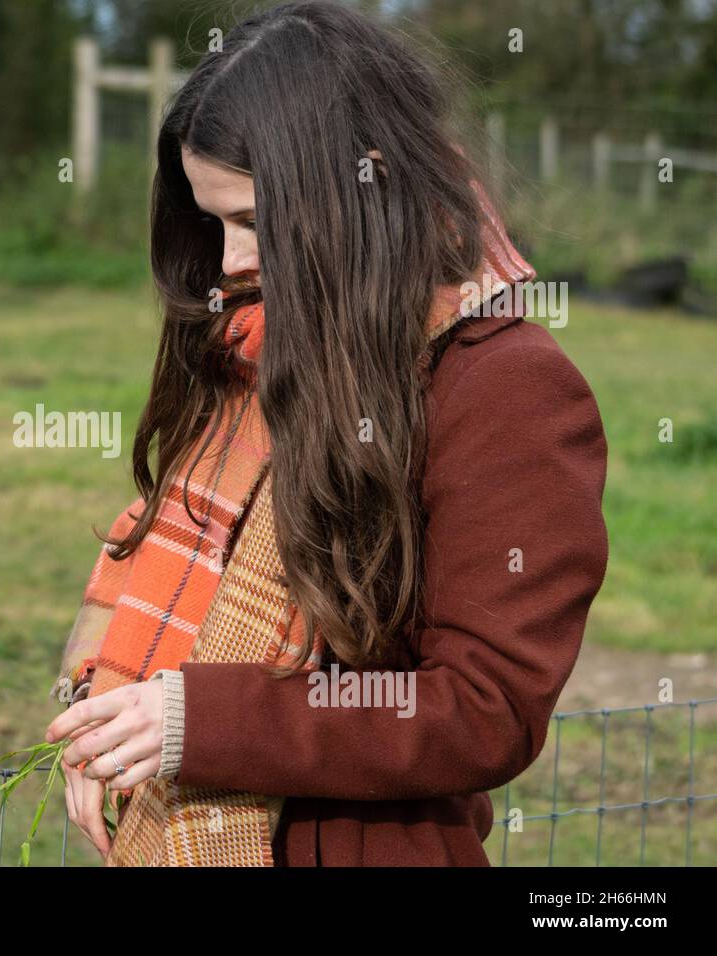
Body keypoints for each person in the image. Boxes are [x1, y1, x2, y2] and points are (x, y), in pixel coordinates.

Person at [45, 0, 609, 866]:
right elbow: (162, 549)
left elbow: (486, 709)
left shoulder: (505, 390)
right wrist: (110, 709)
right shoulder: (259, 350)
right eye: (212, 221)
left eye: (251, 220)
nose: (229, 260)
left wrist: (202, 721)